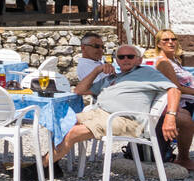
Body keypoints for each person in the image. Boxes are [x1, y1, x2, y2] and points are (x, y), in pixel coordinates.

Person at [47, 43, 194, 172]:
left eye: (130, 56)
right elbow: (79, 90)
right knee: (60, 122)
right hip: (99, 113)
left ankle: (41, 167)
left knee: (73, 132)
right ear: (116, 60)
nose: (125, 60)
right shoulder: (112, 78)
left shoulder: (147, 73)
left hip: (125, 119)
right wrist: (97, 70)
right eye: (121, 57)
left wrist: (170, 116)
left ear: (139, 60)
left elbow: (174, 89)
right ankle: (51, 165)